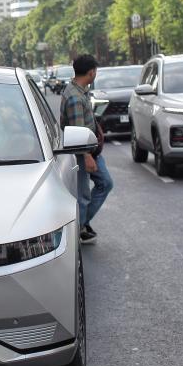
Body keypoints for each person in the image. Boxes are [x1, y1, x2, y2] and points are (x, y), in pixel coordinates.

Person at [60, 54, 112, 244]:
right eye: (95, 71)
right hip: (83, 153)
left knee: (105, 183)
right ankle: (77, 230)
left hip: (91, 150)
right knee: (83, 196)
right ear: (91, 72)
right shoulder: (74, 97)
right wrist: (87, 156)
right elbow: (77, 133)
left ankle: (82, 224)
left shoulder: (80, 91)